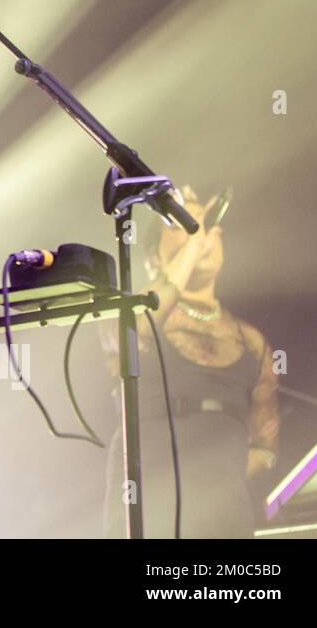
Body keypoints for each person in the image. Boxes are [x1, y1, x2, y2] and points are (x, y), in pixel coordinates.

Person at [102, 186, 279, 538]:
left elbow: (265, 446)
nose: (196, 227)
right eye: (177, 223)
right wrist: (193, 242)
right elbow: (130, 335)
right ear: (153, 257)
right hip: (148, 502)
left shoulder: (253, 342)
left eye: (201, 222)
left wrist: (214, 477)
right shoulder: (128, 313)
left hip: (223, 514)